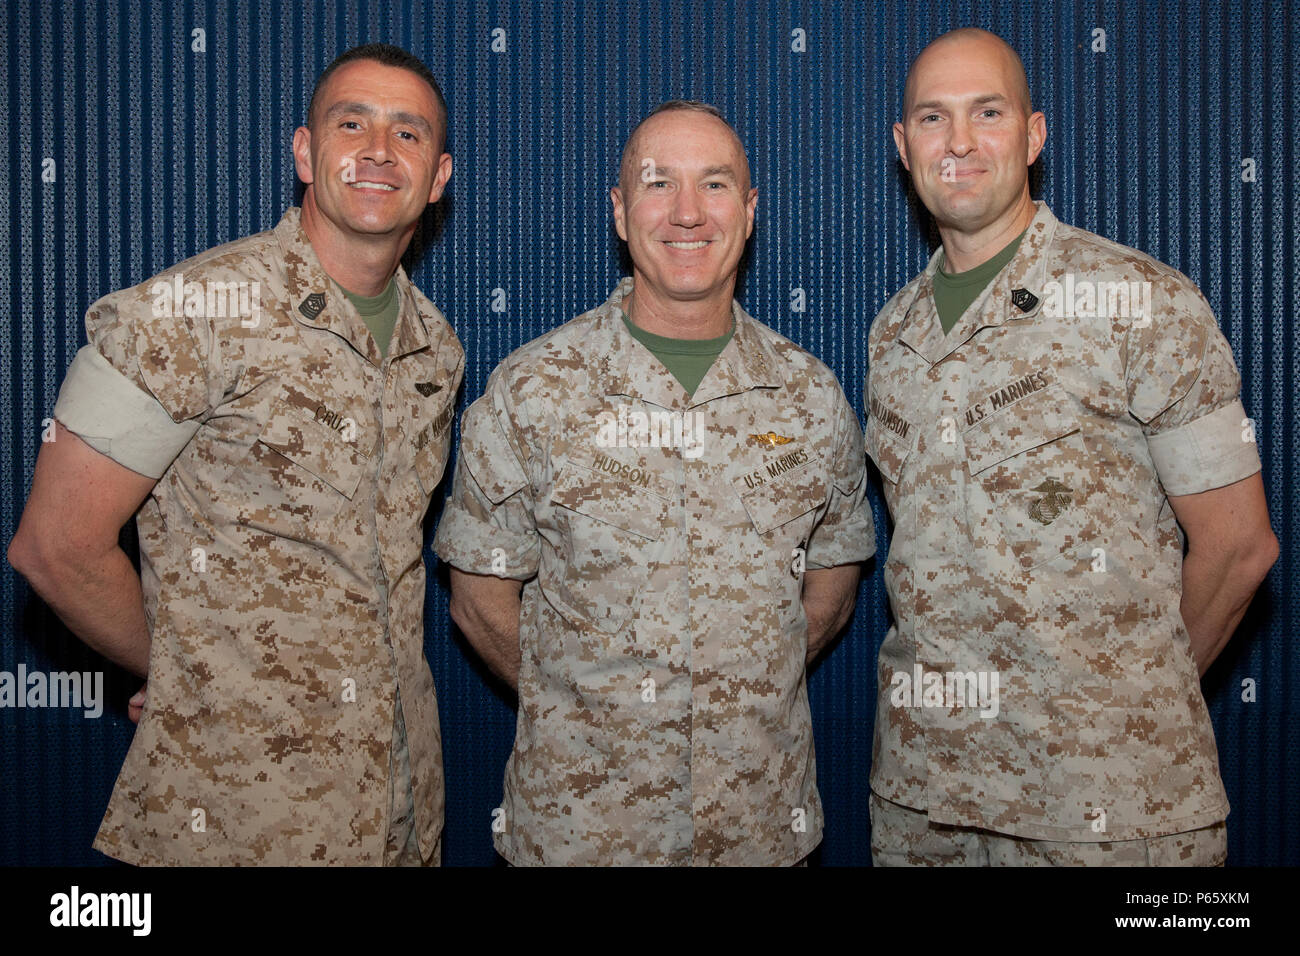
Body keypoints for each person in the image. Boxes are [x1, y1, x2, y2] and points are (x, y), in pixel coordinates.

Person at [7, 43, 462, 866]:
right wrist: (191, 674)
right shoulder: (186, 315)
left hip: (401, 809)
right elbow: (54, 546)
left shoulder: (437, 351)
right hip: (234, 819)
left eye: (409, 133)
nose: (376, 151)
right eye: (350, 122)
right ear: (303, 152)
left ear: (437, 177)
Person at [866, 27, 1278, 865]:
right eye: (933, 119)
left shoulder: (1140, 301)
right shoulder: (892, 336)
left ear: (1034, 133)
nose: (961, 142)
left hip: (1108, 810)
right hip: (924, 809)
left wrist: (1124, 703)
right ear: (904, 148)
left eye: (988, 112)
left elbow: (1239, 549)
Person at [433, 101, 874, 866]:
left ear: (749, 210)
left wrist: (734, 680)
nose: (687, 212)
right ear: (619, 211)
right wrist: (587, 703)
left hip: (761, 830)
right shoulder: (533, 391)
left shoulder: (811, 398)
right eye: (657, 182)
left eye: (715, 184)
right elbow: (478, 600)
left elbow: (833, 575)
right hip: (580, 834)